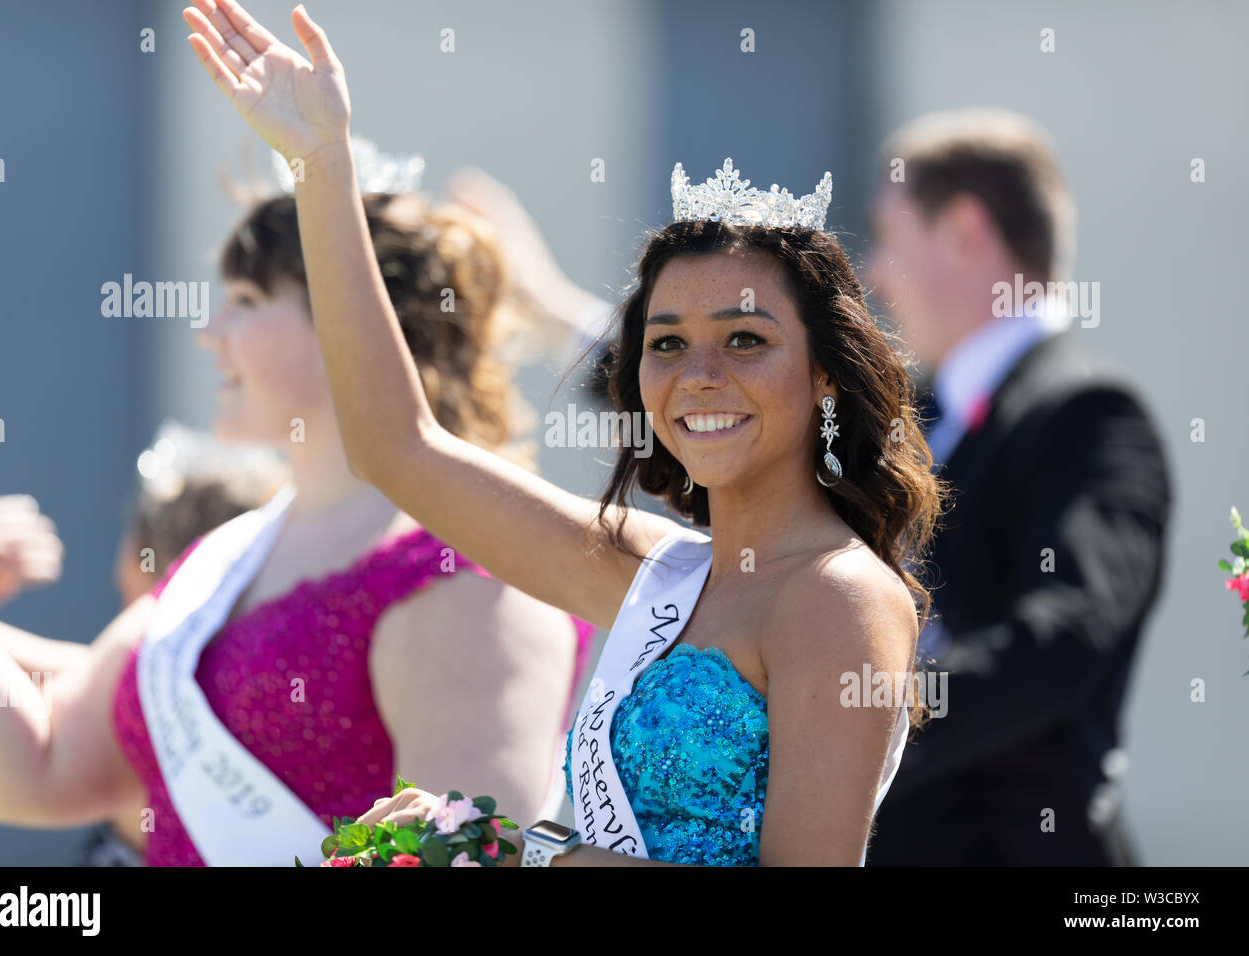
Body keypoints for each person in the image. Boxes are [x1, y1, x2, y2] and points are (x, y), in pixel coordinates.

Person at [182, 0, 944, 865]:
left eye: (745, 339)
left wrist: (517, 854)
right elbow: (397, 448)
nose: (700, 375)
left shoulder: (840, 598)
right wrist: (320, 161)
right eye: (666, 344)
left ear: (826, 375)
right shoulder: (661, 574)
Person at [0, 139, 591, 866]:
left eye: (248, 302)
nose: (210, 332)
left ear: (359, 322)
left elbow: (466, 852)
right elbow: (33, 773)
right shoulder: (225, 558)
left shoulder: (472, 570)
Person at [862, 108, 1171, 865]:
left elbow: (1062, 636)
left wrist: (858, 724)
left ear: (965, 232)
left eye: (888, 237)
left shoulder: (1090, 413)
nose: (873, 271)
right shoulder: (917, 411)